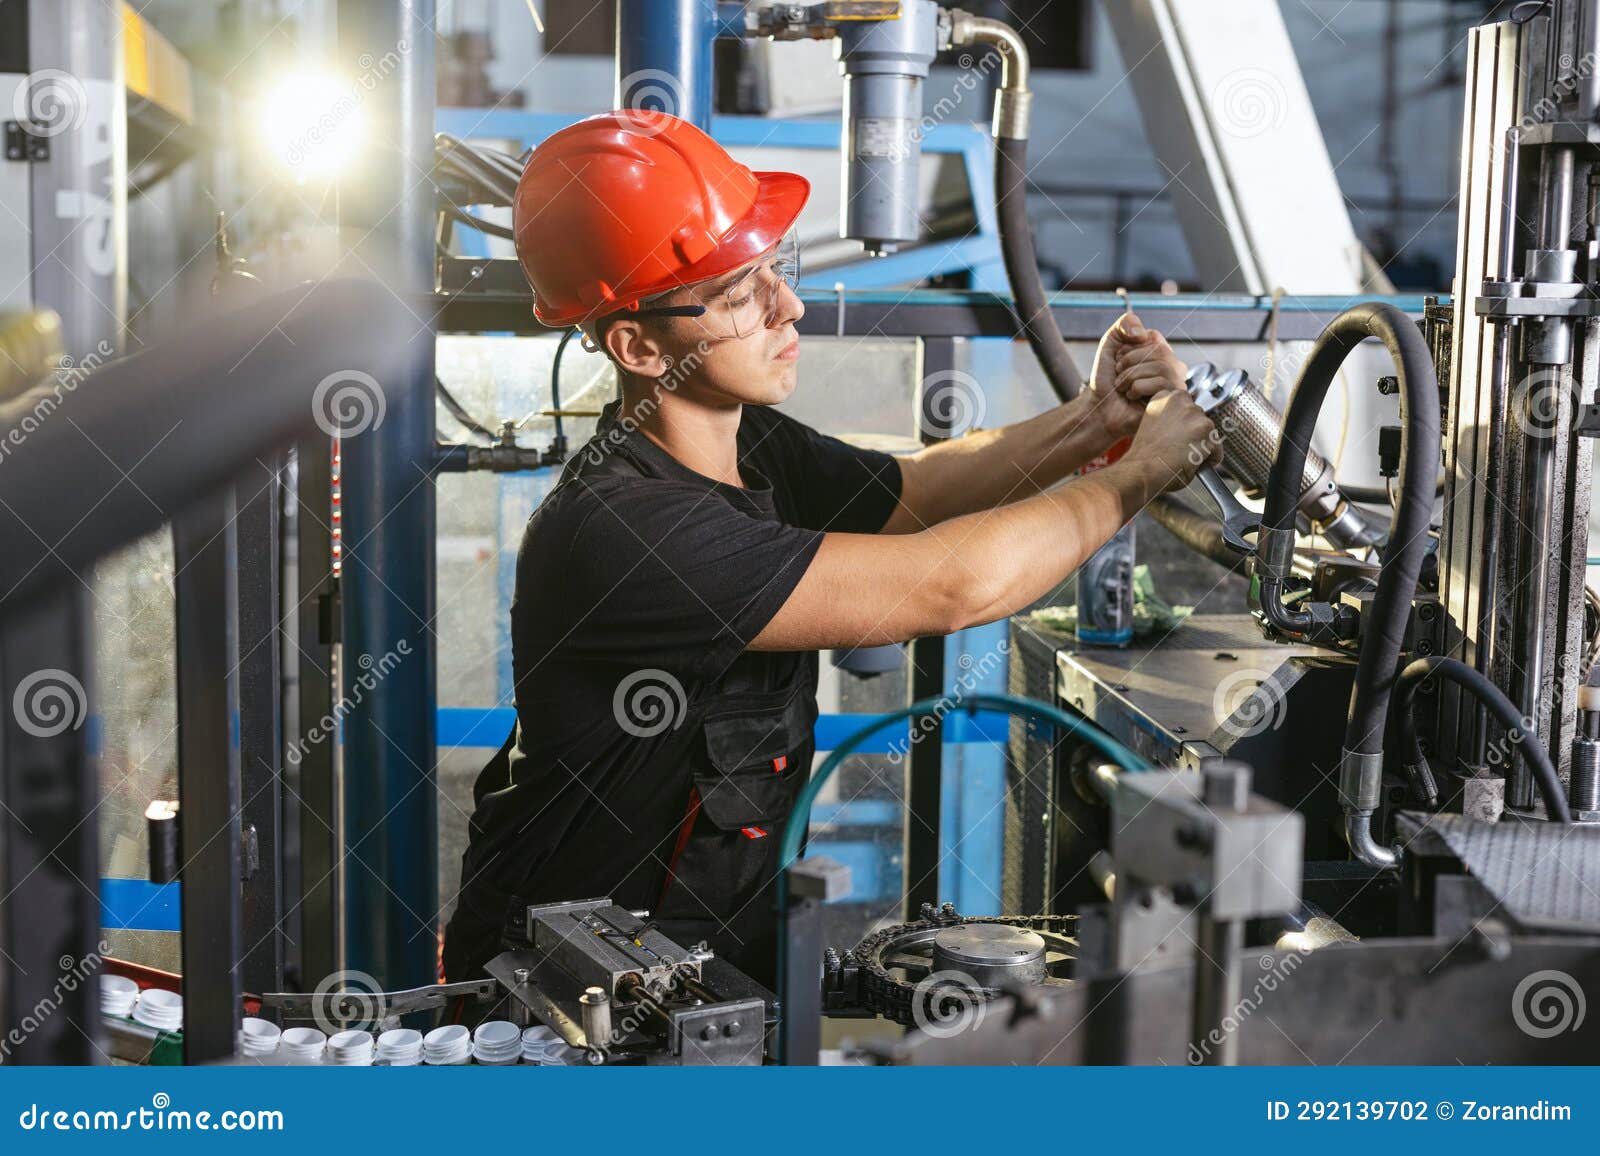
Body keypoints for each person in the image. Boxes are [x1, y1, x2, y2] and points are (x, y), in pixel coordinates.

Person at [442, 109, 1218, 987]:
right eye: (741, 294)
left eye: (776, 268)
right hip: (561, 994)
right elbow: (953, 587)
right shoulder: (624, 531)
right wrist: (1139, 473)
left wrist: (1093, 423)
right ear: (638, 346)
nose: (791, 306)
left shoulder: (751, 443)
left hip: (701, 971)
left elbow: (918, 489)